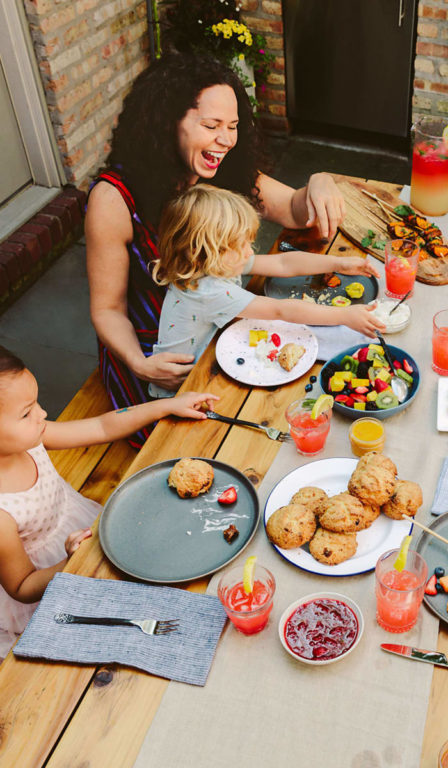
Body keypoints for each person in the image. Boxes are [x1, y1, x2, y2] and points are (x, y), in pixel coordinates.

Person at [86, 53, 347, 445]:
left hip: (225, 334)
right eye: (211, 126)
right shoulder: (113, 199)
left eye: (233, 126)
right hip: (159, 362)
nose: (225, 140)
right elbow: (107, 309)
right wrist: (141, 363)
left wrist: (320, 180)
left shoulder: (221, 167)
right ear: (166, 122)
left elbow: (295, 209)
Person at [0, 346, 218, 657]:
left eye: (36, 403)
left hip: (83, 530)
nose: (42, 414)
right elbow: (22, 586)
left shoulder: (33, 437)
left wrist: (167, 405)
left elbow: (102, 426)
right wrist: (68, 562)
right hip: (52, 575)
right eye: (26, 413)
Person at [149, 184, 384, 397]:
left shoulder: (213, 263)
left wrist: (338, 264)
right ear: (203, 251)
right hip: (183, 389)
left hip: (213, 358)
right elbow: (282, 311)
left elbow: (283, 263)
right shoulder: (208, 290)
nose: (249, 252)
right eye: (240, 245)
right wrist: (344, 315)